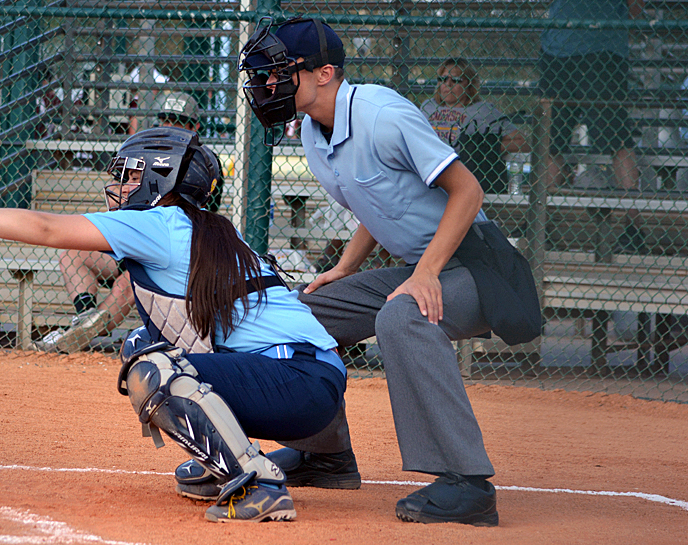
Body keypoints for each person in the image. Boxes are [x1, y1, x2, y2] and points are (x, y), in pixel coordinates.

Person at [0, 127, 348, 522]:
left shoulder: (160, 223)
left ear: (158, 179)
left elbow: (45, 228)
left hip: (298, 380)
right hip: (307, 384)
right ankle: (230, 459)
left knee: (154, 371)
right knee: (142, 342)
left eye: (131, 175)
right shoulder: (197, 226)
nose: (121, 186)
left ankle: (258, 486)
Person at [235, 17, 543, 526]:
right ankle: (325, 454)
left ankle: (467, 484)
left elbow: (468, 192)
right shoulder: (313, 132)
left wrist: (424, 274)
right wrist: (342, 268)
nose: (267, 85)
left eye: (279, 72)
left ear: (326, 73)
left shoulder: (382, 114)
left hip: (479, 265)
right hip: (422, 267)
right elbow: (375, 206)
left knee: (403, 317)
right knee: (304, 313)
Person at [37, 92, 223, 353]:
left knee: (127, 282)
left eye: (179, 120)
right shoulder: (146, 155)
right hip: (135, 241)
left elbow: (203, 216)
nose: (170, 124)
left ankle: (84, 334)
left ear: (195, 127)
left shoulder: (203, 164)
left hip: (168, 254)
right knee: (73, 254)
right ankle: (87, 317)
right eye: (165, 118)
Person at [540, 0, 645, 251]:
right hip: (556, 50)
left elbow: (636, 6)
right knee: (550, 140)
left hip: (602, 51)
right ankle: (540, 224)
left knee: (617, 138)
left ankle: (635, 227)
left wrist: (609, 24)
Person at [420, 57, 530, 195]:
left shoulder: (482, 110)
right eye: (443, 79)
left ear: (469, 84)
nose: (447, 84)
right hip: (430, 166)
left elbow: (521, 141)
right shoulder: (428, 107)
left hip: (463, 170)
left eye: (455, 80)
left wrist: (483, 149)